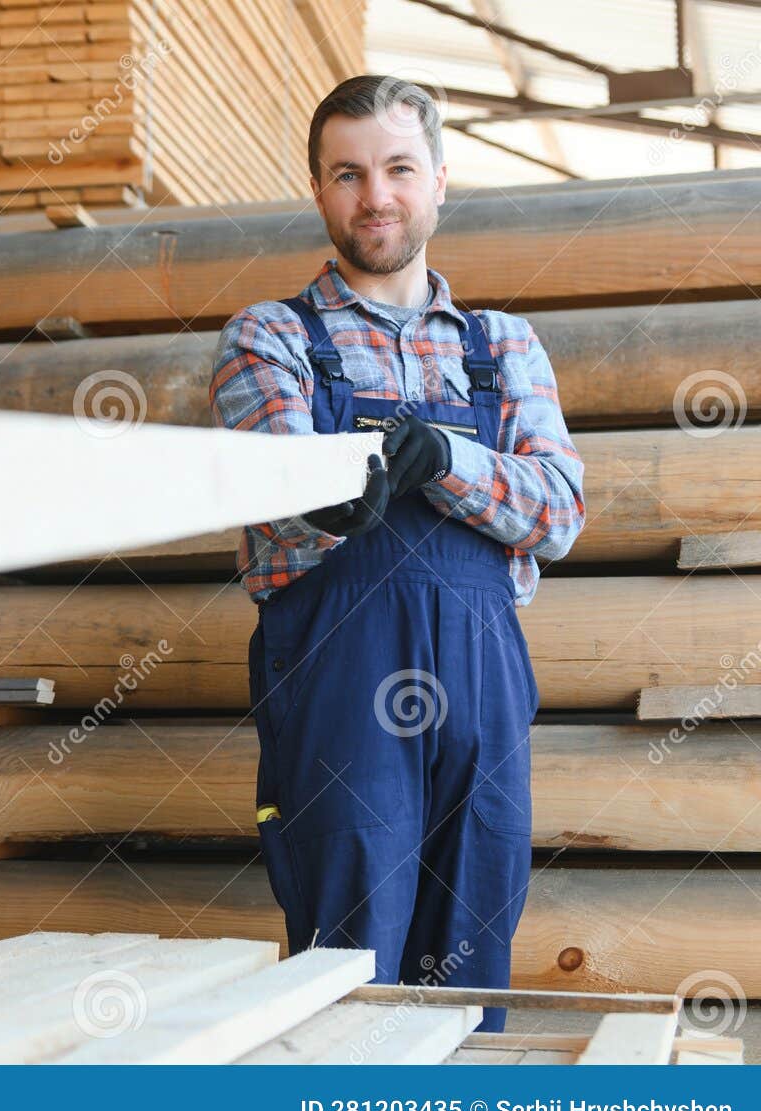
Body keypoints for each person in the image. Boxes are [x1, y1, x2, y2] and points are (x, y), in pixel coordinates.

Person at [209, 75, 586, 1031]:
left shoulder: (504, 349)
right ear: (319, 189)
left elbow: (559, 512)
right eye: (348, 174)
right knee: (350, 962)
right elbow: (273, 497)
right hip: (341, 701)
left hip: (481, 701)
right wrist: (331, 502)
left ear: (440, 181)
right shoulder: (271, 337)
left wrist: (449, 461)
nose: (375, 196)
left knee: (472, 959)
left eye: (399, 168)